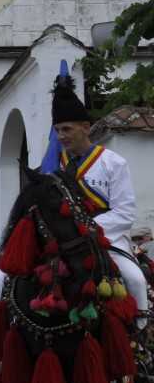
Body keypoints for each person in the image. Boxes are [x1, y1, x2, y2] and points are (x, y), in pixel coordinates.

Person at [49, 74, 144, 326]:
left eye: (67, 129)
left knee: (135, 279)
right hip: (64, 239)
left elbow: (125, 213)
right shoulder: (55, 165)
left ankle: (142, 333)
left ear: (85, 127)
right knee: (5, 278)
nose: (61, 136)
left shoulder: (113, 163)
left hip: (105, 238)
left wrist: (87, 228)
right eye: (57, 130)